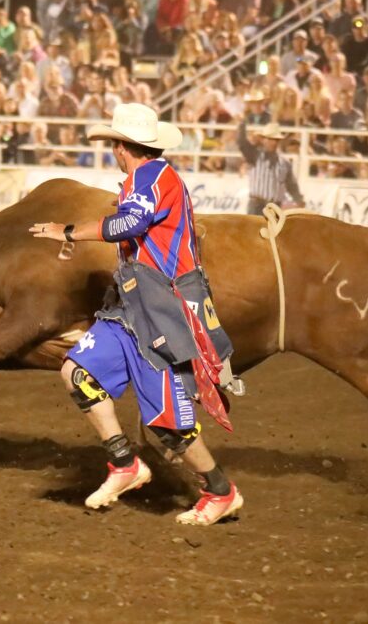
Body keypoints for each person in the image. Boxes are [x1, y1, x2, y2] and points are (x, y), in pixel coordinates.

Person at [28, 103, 243, 526]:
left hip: (160, 310)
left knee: (168, 426)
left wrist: (69, 231)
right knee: (76, 371)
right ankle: (124, 464)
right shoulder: (147, 179)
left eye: (113, 144)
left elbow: (128, 224)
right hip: (131, 306)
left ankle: (220, 490)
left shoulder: (154, 178)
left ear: (121, 146)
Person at [237, 120, 305, 214]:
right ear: (264, 140)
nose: (273, 143)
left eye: (276, 140)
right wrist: (242, 125)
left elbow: (291, 184)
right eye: (270, 139)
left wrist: (298, 199)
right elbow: (242, 144)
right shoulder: (254, 155)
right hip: (257, 204)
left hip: (274, 206)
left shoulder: (284, 163)